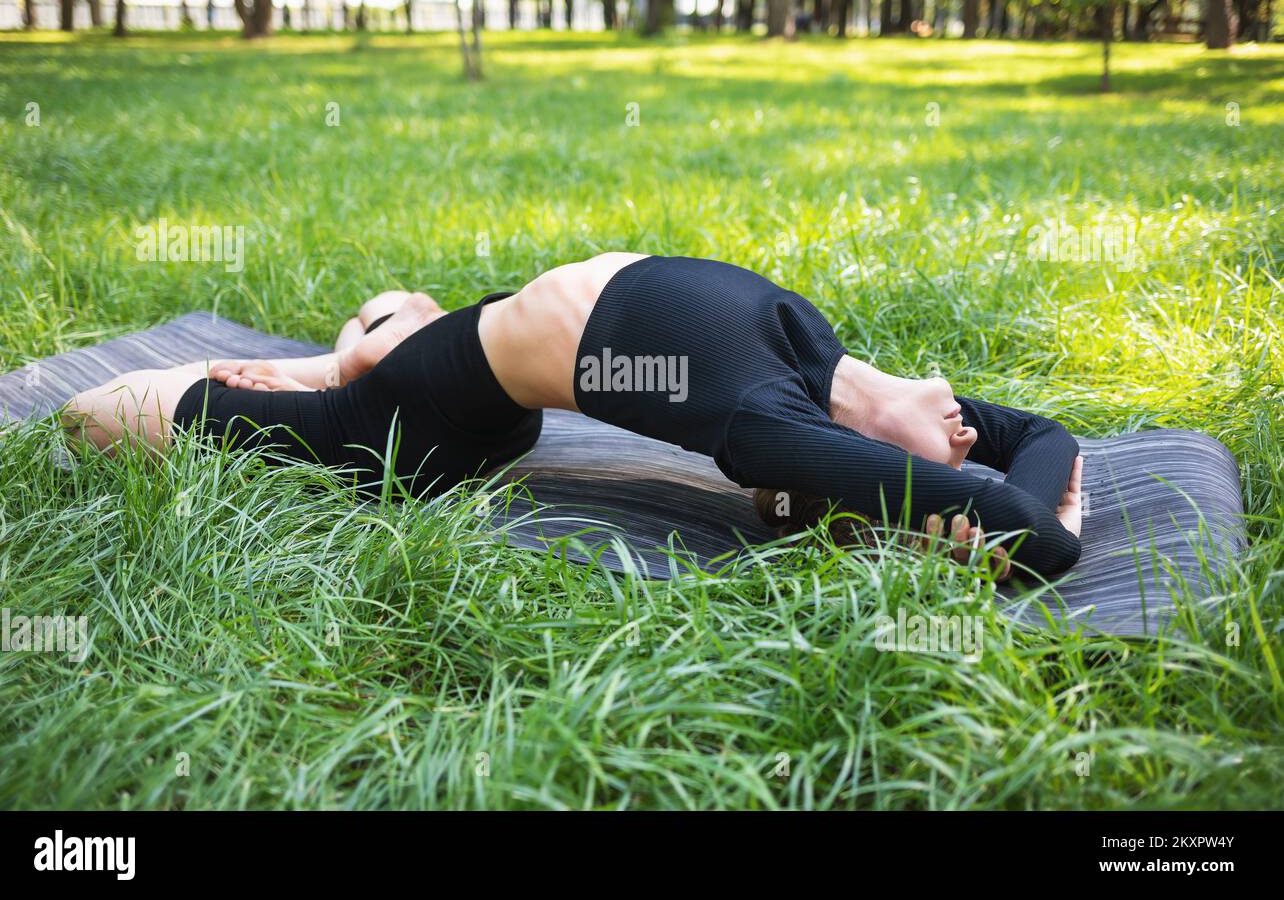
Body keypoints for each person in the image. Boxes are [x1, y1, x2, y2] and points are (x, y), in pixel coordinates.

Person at [62, 253, 1084, 578]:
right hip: (465, 363)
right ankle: (351, 350)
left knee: (85, 416)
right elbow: (1045, 441)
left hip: (423, 424)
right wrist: (1021, 488)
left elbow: (1031, 526)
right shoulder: (813, 351)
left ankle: (257, 382)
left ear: (853, 455)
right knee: (398, 342)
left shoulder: (763, 420)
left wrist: (1031, 518)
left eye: (957, 455)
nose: (969, 435)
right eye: (965, 440)